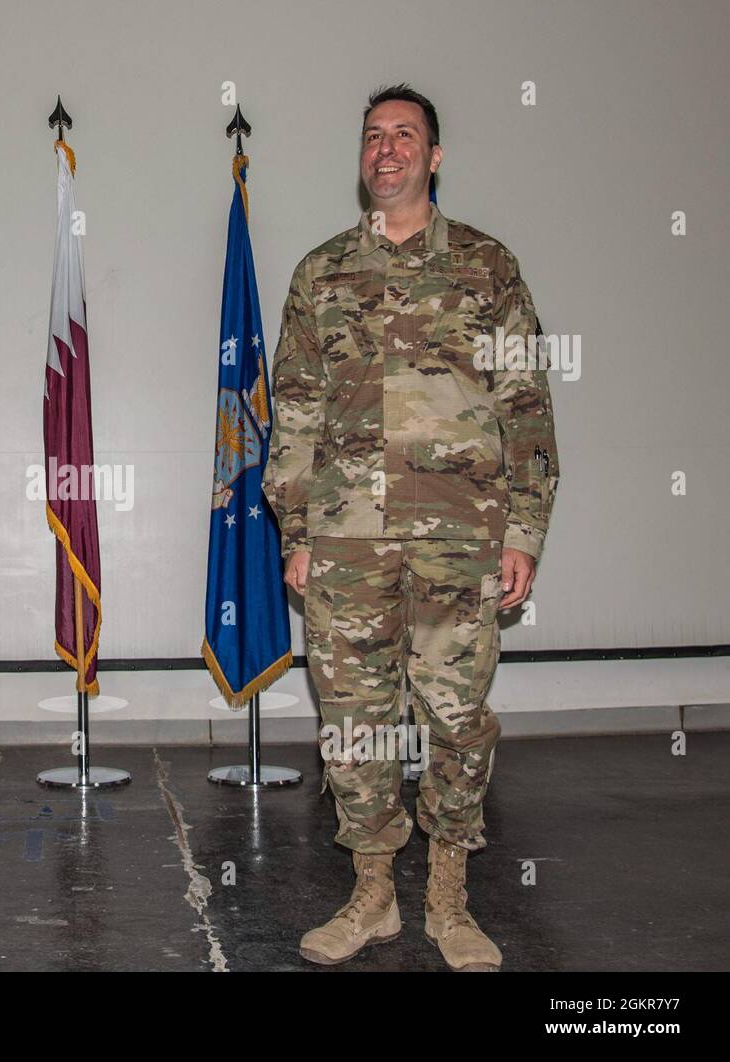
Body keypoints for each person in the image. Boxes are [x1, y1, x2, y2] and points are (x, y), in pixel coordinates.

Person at [263, 85, 559, 971]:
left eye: (405, 136)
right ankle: (373, 895)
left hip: (461, 538)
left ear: (435, 158)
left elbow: (527, 406)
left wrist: (524, 531)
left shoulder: (487, 266)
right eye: (373, 137)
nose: (386, 149)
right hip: (346, 539)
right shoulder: (320, 273)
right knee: (356, 722)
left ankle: (450, 898)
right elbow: (296, 414)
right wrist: (297, 531)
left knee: (457, 719)